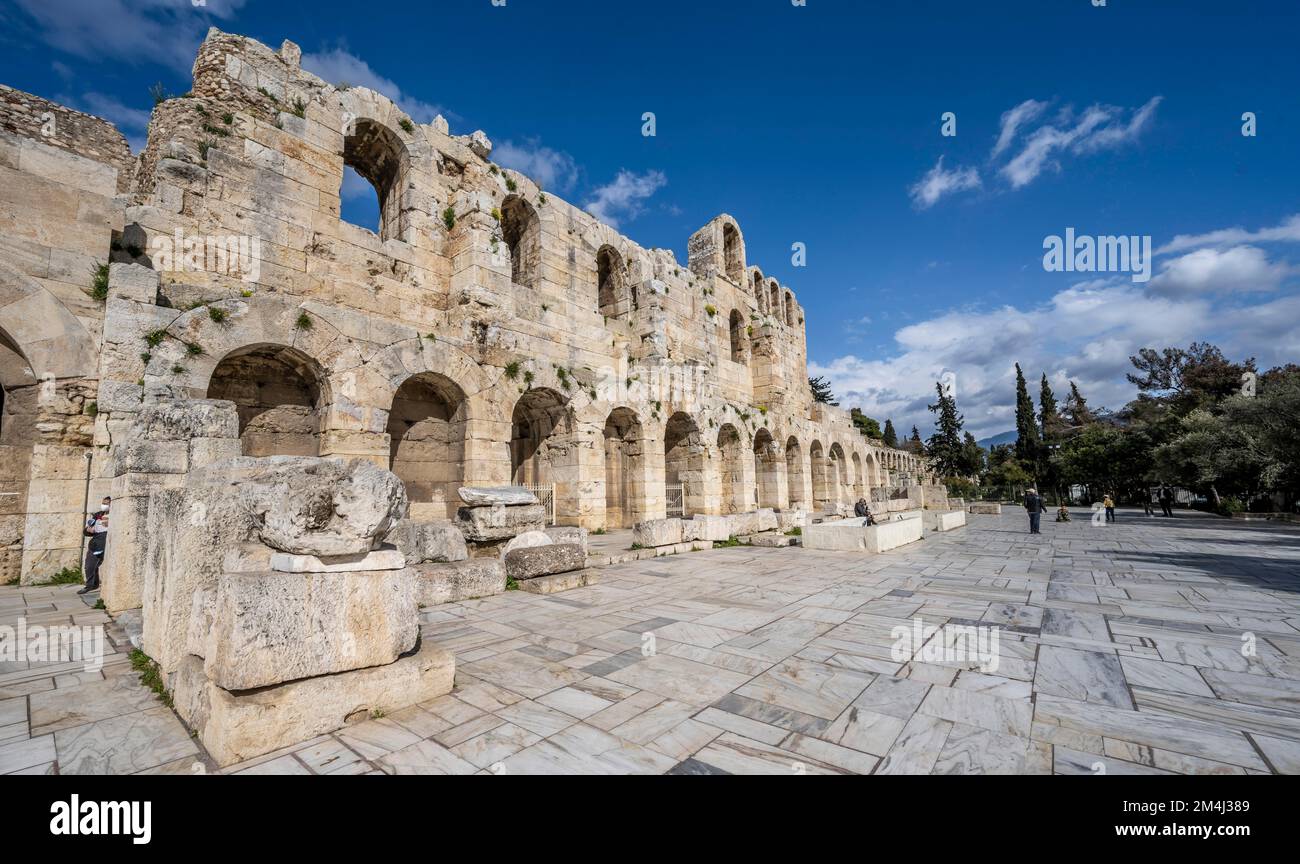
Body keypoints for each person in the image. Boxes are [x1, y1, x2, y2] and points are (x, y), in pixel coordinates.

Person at [78, 496, 110, 595]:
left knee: (98, 564)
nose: (104, 505)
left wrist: (110, 524)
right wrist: (88, 530)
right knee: (89, 566)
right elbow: (87, 530)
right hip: (95, 543)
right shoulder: (97, 515)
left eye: (107, 503)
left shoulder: (115, 515)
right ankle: (91, 584)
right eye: (103, 503)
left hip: (105, 542)